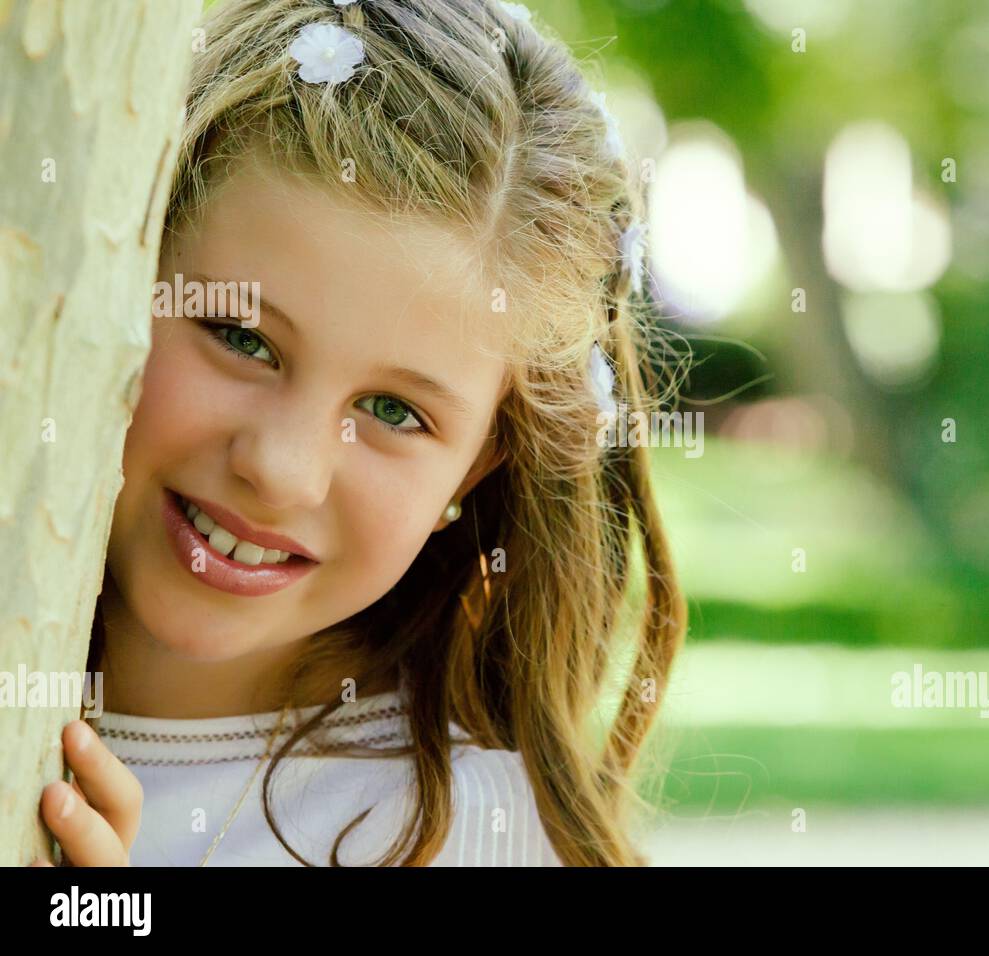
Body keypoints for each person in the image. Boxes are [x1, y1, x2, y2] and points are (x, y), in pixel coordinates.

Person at [31, 0, 686, 867]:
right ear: (125, 275)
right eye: (242, 339)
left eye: (392, 413)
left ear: (478, 465)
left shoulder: (475, 839)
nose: (282, 469)